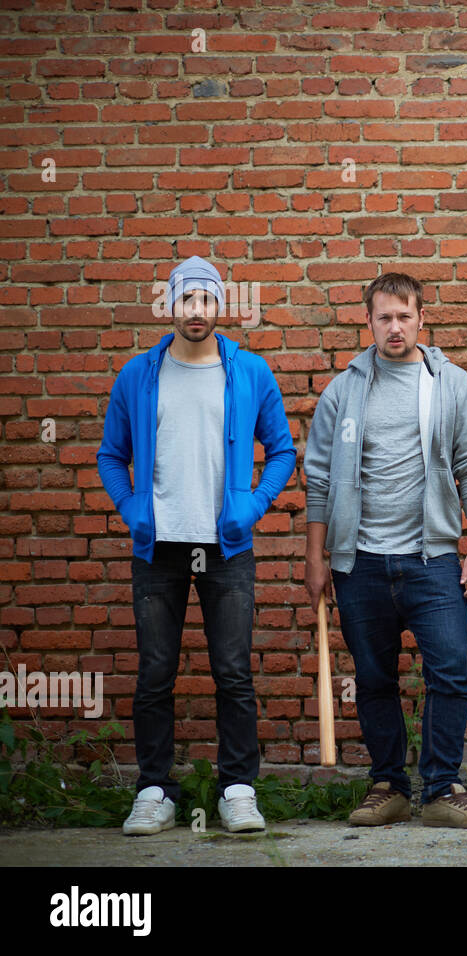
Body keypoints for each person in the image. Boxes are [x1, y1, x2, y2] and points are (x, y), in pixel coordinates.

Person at [98, 255, 296, 835]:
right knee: (155, 672)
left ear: (220, 305)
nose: (197, 312)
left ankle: (238, 788)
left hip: (226, 546)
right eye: (187, 300)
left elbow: (282, 450)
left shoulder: (250, 372)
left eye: (207, 301)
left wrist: (253, 504)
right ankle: (155, 790)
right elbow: (112, 454)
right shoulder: (139, 374)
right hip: (158, 546)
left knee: (233, 671)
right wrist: (133, 506)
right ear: (171, 305)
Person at [303, 272, 467, 829]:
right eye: (383, 317)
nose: (394, 327)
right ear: (368, 322)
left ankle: (441, 788)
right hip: (358, 562)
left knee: (451, 670)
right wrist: (316, 558)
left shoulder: (451, 383)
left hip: (431, 558)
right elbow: (318, 479)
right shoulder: (343, 390)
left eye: (404, 316)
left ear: (420, 320)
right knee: (374, 678)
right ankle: (388, 785)